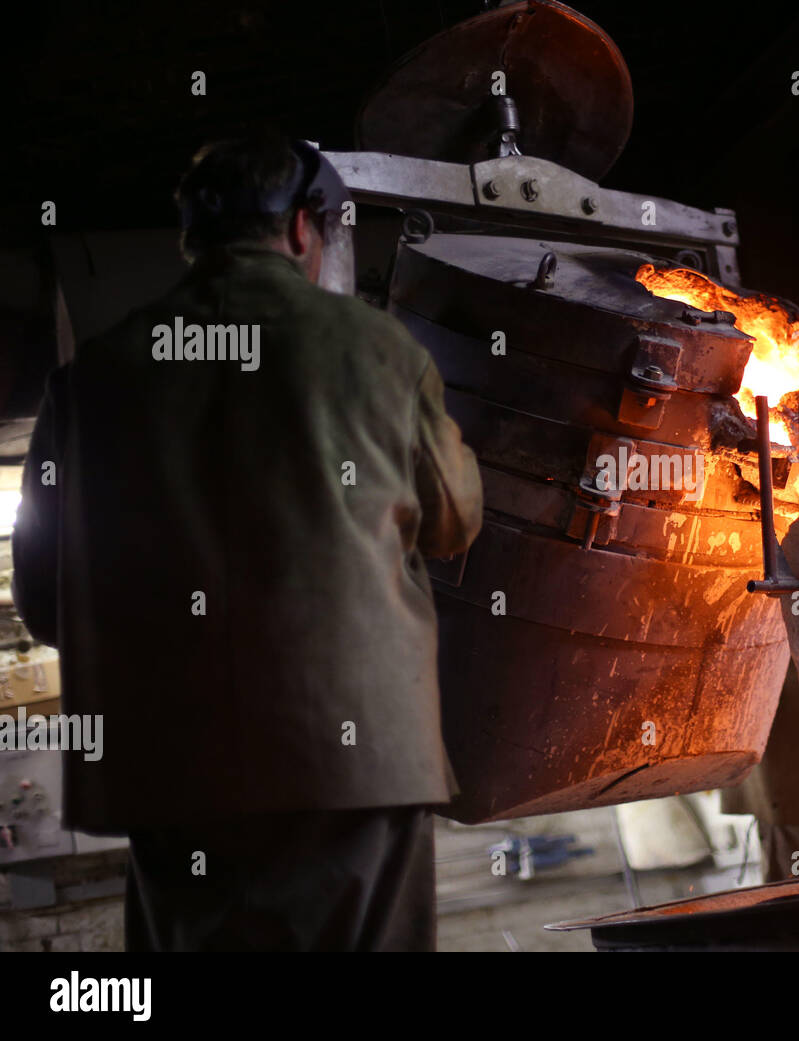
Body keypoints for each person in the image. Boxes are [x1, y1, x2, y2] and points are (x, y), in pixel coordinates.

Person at [11, 135, 483, 951]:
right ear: (303, 230)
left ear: (193, 239)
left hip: (170, 774)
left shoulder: (90, 377)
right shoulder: (380, 352)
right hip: (357, 758)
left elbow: (48, 602)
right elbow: (453, 521)